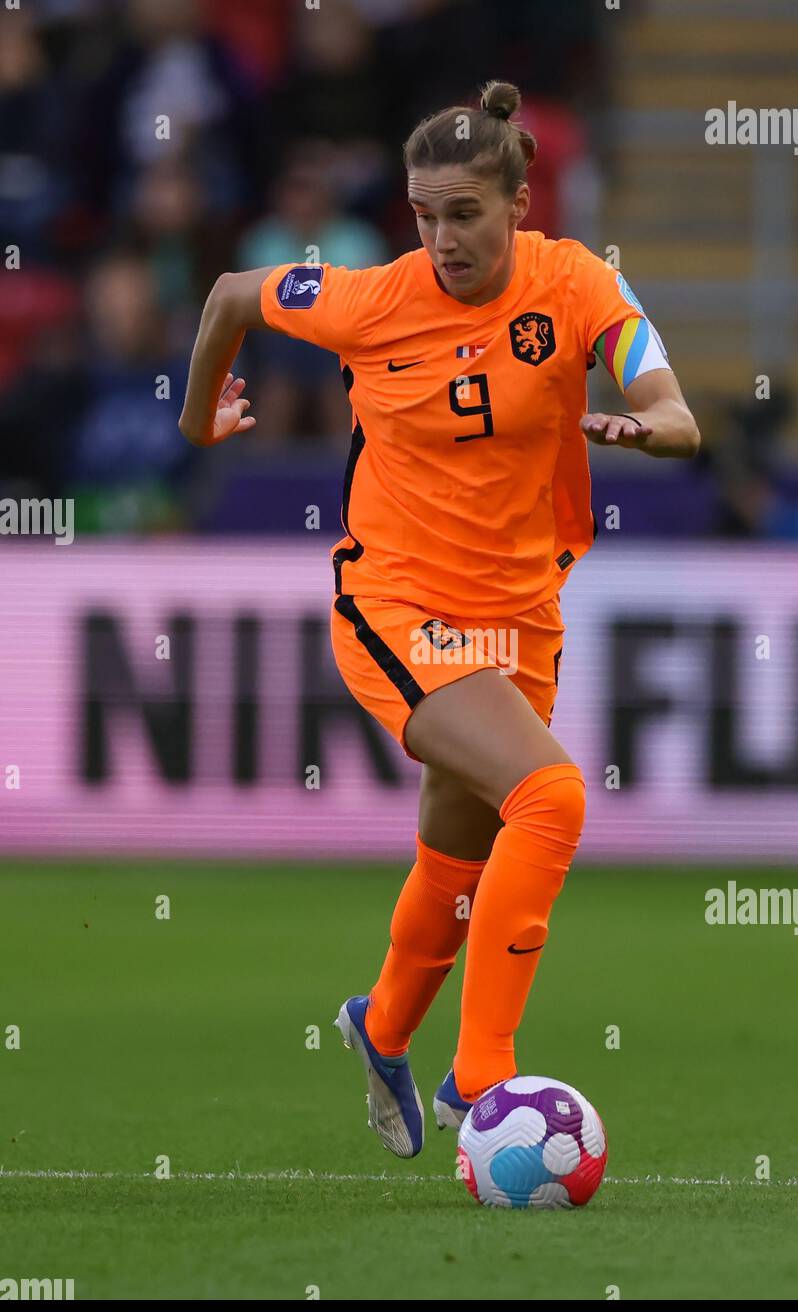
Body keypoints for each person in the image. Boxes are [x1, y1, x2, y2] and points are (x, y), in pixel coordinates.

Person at [178, 80, 699, 1159]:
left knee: (458, 860)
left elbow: (669, 399)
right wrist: (200, 416)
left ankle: (378, 1027)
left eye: (463, 212)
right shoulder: (369, 300)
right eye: (423, 213)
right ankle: (486, 1083)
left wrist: (657, 426)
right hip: (398, 603)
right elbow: (232, 291)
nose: (442, 236)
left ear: (518, 201)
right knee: (550, 800)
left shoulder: (577, 281)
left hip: (522, 614)